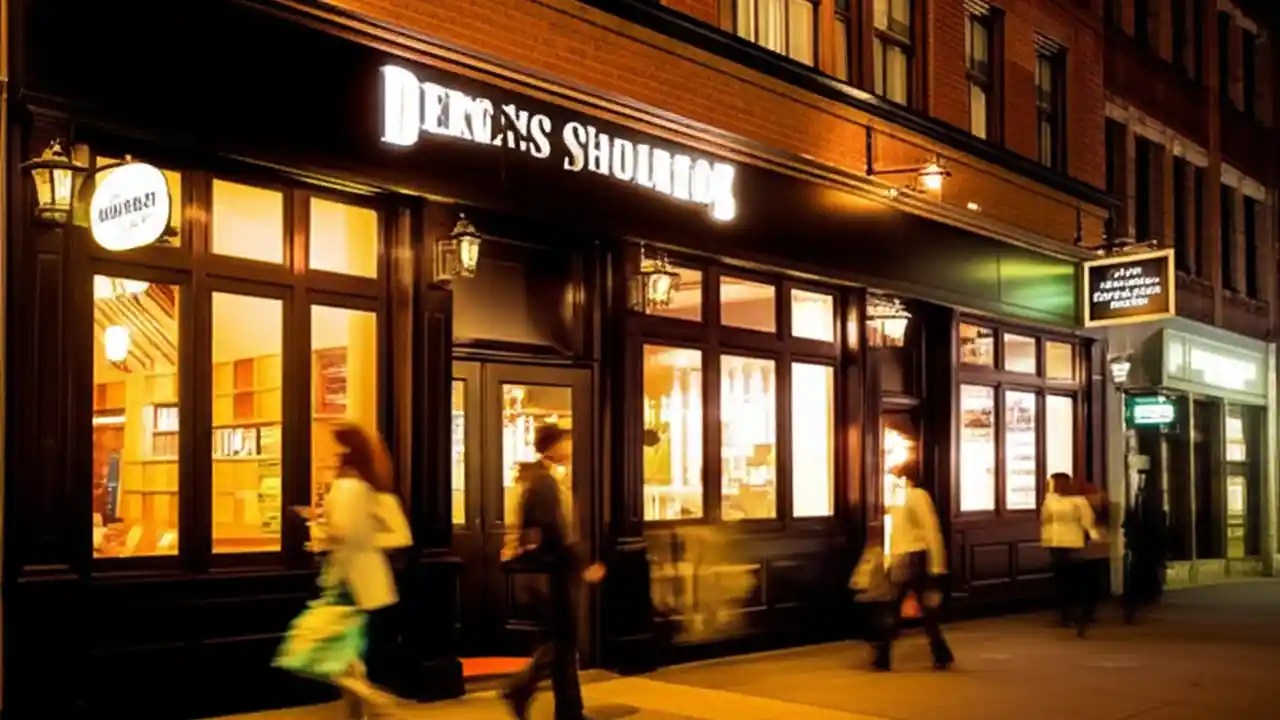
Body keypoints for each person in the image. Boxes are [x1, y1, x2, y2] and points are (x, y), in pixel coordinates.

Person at [275, 423, 412, 720]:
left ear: (346, 453)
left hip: (347, 583)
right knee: (347, 657)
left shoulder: (350, 488)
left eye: (333, 449)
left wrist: (324, 528)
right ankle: (364, 710)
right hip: (355, 582)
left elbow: (348, 534)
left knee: (313, 650)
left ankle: (378, 702)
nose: (327, 456)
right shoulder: (364, 489)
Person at [502, 424, 605, 720]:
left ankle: (569, 710)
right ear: (554, 445)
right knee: (561, 642)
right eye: (566, 441)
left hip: (555, 571)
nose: (571, 447)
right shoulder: (543, 483)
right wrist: (581, 565)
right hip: (554, 574)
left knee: (562, 643)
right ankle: (521, 688)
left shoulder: (542, 479)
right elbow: (554, 532)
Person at [874, 467, 953, 672]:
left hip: (898, 557)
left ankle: (883, 655)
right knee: (928, 609)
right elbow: (931, 530)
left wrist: (888, 559)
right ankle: (940, 652)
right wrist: (937, 565)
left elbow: (892, 531)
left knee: (892, 606)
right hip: (916, 556)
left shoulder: (896, 499)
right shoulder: (918, 496)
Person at [1041, 472, 1100, 637]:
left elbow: (1087, 521)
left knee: (1067, 579)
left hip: (1064, 543)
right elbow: (1087, 521)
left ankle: (1070, 613)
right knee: (1067, 580)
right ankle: (1069, 613)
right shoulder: (1060, 500)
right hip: (1064, 543)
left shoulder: (1065, 501)